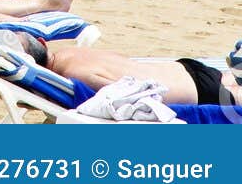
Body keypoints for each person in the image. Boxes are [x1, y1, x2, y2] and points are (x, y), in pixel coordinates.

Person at [22, 35, 242, 109]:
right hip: (186, 69)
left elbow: (124, 94)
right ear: (43, 42)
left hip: (200, 94)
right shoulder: (72, 52)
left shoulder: (74, 74)